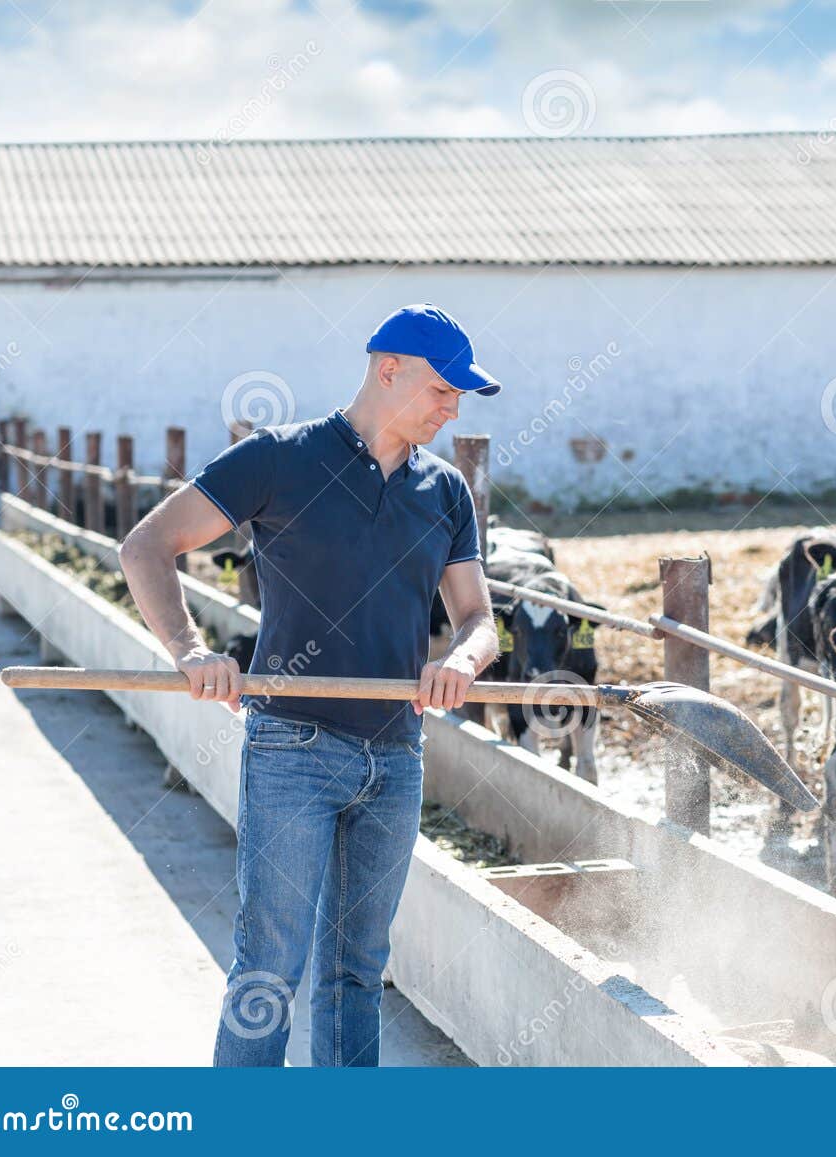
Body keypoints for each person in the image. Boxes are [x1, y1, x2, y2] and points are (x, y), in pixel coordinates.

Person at [120, 304, 501, 1065]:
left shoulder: (446, 491)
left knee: (358, 973)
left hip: (396, 756)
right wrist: (191, 649)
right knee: (270, 967)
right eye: (443, 390)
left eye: (461, 395)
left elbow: (478, 619)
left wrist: (462, 661)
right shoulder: (279, 460)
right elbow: (147, 545)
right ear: (388, 370)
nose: (453, 405)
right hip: (293, 745)